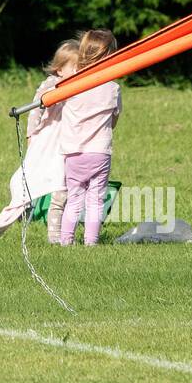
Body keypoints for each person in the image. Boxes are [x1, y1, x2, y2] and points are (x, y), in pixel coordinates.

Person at [56, 29, 119, 246]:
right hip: (100, 152)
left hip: (73, 152)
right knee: (95, 201)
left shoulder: (71, 85)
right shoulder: (113, 88)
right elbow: (114, 120)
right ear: (110, 55)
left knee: (73, 200)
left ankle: (66, 241)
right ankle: (91, 242)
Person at [27, 39, 78, 241]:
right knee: (37, 180)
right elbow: (34, 111)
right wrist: (31, 135)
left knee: (62, 189)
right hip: (47, 141)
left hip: (68, 143)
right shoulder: (50, 85)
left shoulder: (81, 86)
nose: (79, 73)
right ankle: (26, 209)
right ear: (59, 70)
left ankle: (57, 234)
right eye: (75, 68)